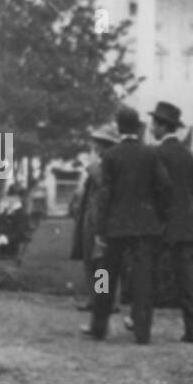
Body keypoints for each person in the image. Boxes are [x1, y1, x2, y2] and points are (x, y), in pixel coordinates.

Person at [88, 105, 171, 344]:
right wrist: (160, 216)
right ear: (137, 127)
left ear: (119, 126)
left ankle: (99, 325)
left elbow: (105, 194)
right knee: (143, 279)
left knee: (105, 275)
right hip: (145, 227)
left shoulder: (111, 156)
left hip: (114, 227)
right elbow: (165, 187)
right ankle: (143, 331)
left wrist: (100, 228)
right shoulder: (151, 154)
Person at [150, 100, 193, 343]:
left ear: (162, 126)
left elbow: (157, 191)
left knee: (148, 273)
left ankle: (140, 321)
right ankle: (192, 328)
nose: (152, 127)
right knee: (186, 280)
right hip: (187, 225)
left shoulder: (157, 154)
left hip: (163, 225)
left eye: (154, 123)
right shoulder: (190, 157)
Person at [72, 123, 119, 314]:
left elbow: (103, 184)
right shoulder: (99, 162)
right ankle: (96, 298)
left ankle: (105, 301)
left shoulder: (109, 163)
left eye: (100, 143)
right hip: (90, 216)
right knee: (90, 260)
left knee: (100, 262)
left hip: (101, 217)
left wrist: (92, 167)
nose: (96, 146)